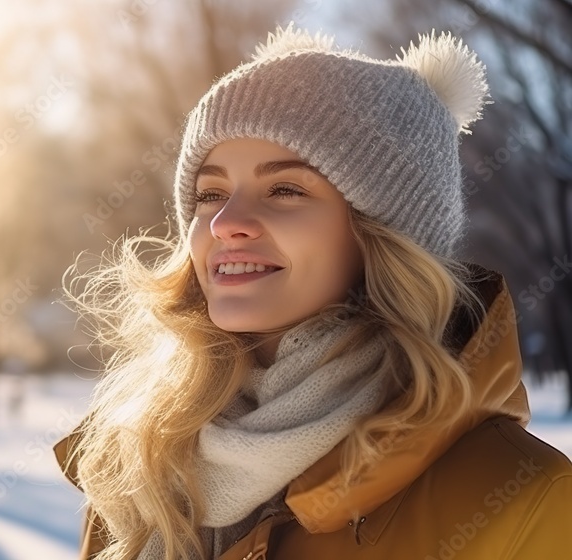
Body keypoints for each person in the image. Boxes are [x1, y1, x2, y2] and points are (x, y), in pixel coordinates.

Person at [54, 24, 572, 560]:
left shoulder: (523, 497)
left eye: (285, 189)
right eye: (210, 192)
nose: (227, 222)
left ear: (387, 235)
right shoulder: (136, 468)